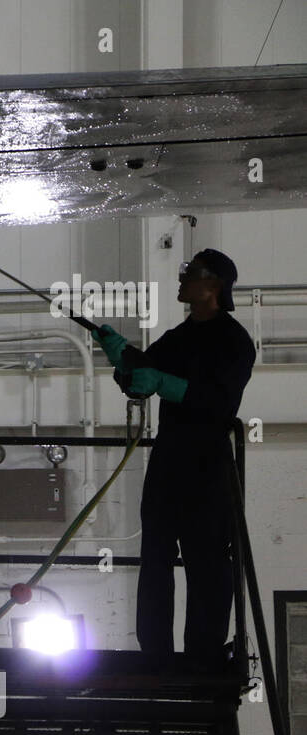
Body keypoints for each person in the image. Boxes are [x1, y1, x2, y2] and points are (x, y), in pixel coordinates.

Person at [91, 249, 256, 671]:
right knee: (156, 560)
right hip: (169, 464)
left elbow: (220, 402)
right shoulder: (178, 338)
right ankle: (156, 654)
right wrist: (119, 354)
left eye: (190, 274)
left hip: (207, 468)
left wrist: (165, 382)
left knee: (206, 564)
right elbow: (141, 375)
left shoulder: (234, 341)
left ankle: (201, 656)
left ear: (214, 285)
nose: (182, 280)